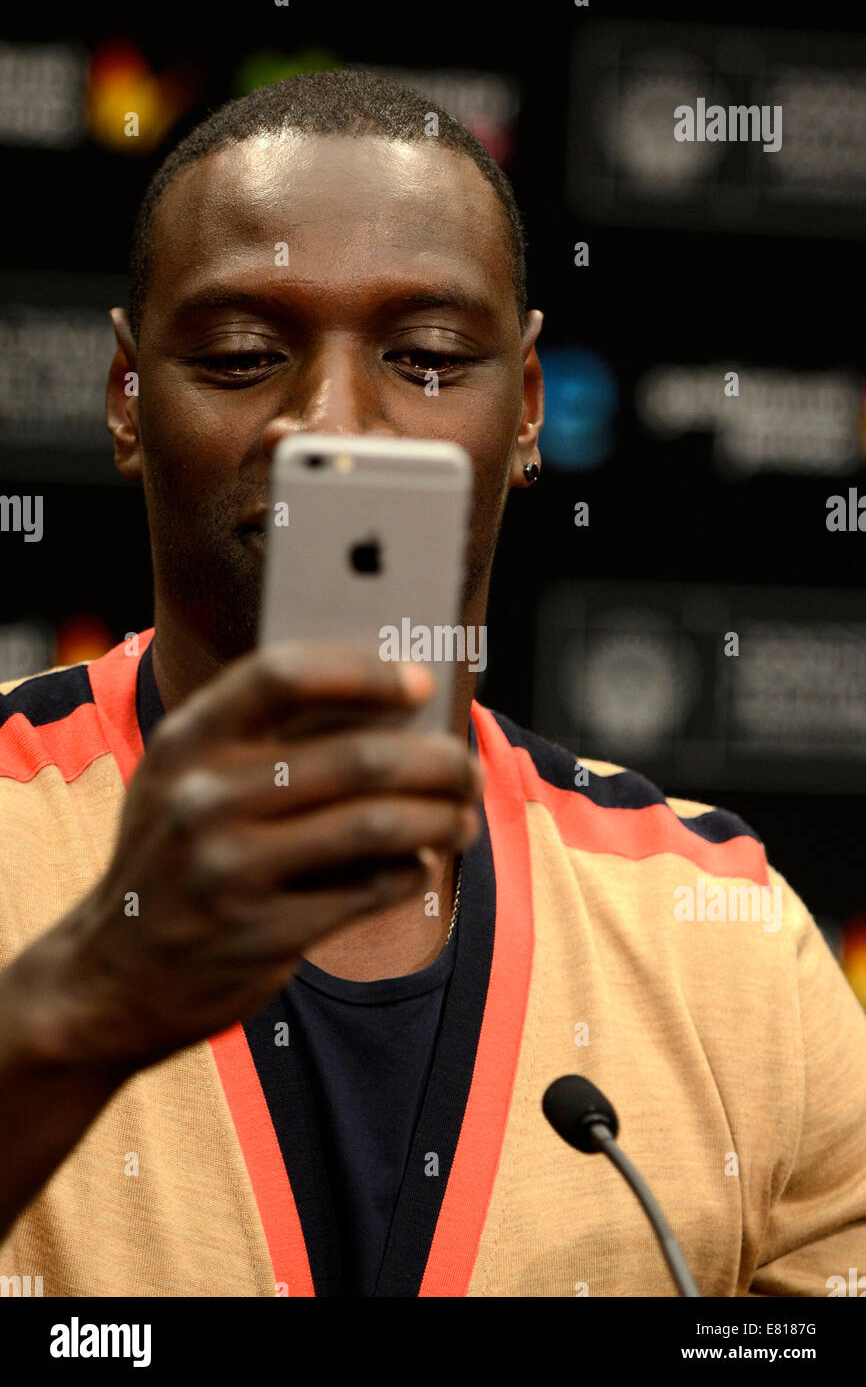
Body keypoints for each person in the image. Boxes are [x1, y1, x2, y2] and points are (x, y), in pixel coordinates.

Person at [0, 70, 864, 1299]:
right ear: (127, 397)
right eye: (244, 355)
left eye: (424, 356)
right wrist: (71, 1014)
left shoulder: (722, 940)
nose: (330, 425)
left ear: (522, 408)